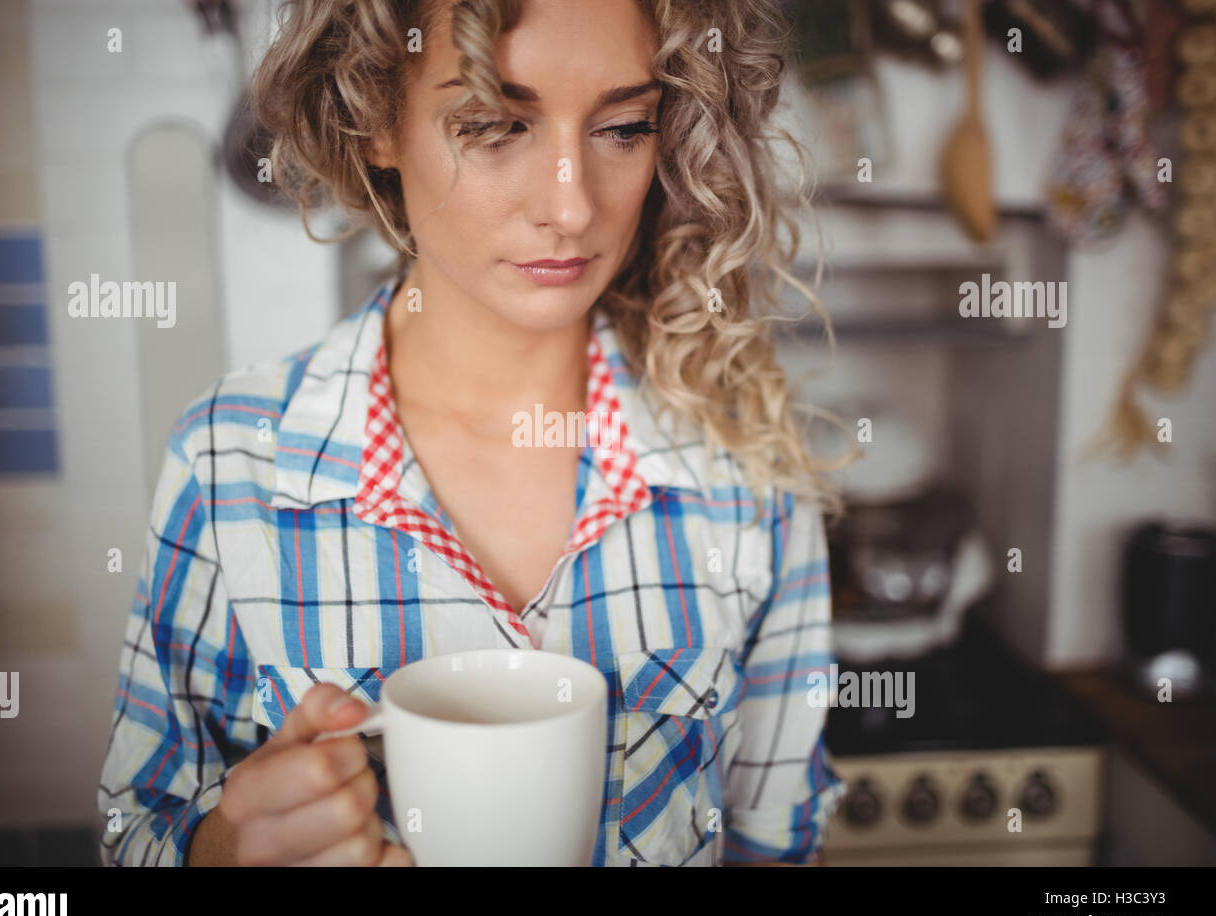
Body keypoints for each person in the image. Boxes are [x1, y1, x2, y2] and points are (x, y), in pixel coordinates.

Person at [97, 0, 854, 867]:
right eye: (495, 124)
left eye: (622, 127)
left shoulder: (745, 473)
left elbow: (776, 843)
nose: (570, 206)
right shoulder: (229, 466)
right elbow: (133, 829)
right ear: (374, 119)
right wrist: (222, 850)